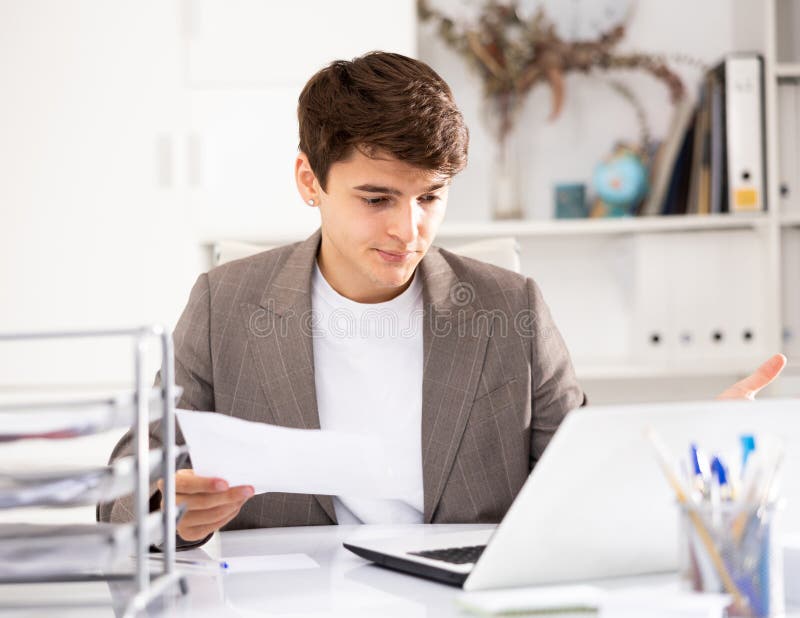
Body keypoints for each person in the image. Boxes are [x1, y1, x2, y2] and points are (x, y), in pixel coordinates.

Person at [98, 52, 786, 547]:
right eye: (377, 199)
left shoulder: (510, 308)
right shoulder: (226, 304)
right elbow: (125, 483)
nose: (409, 229)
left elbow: (578, 479)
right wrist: (166, 504)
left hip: (459, 596)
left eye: (430, 197)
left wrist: (687, 444)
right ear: (310, 180)